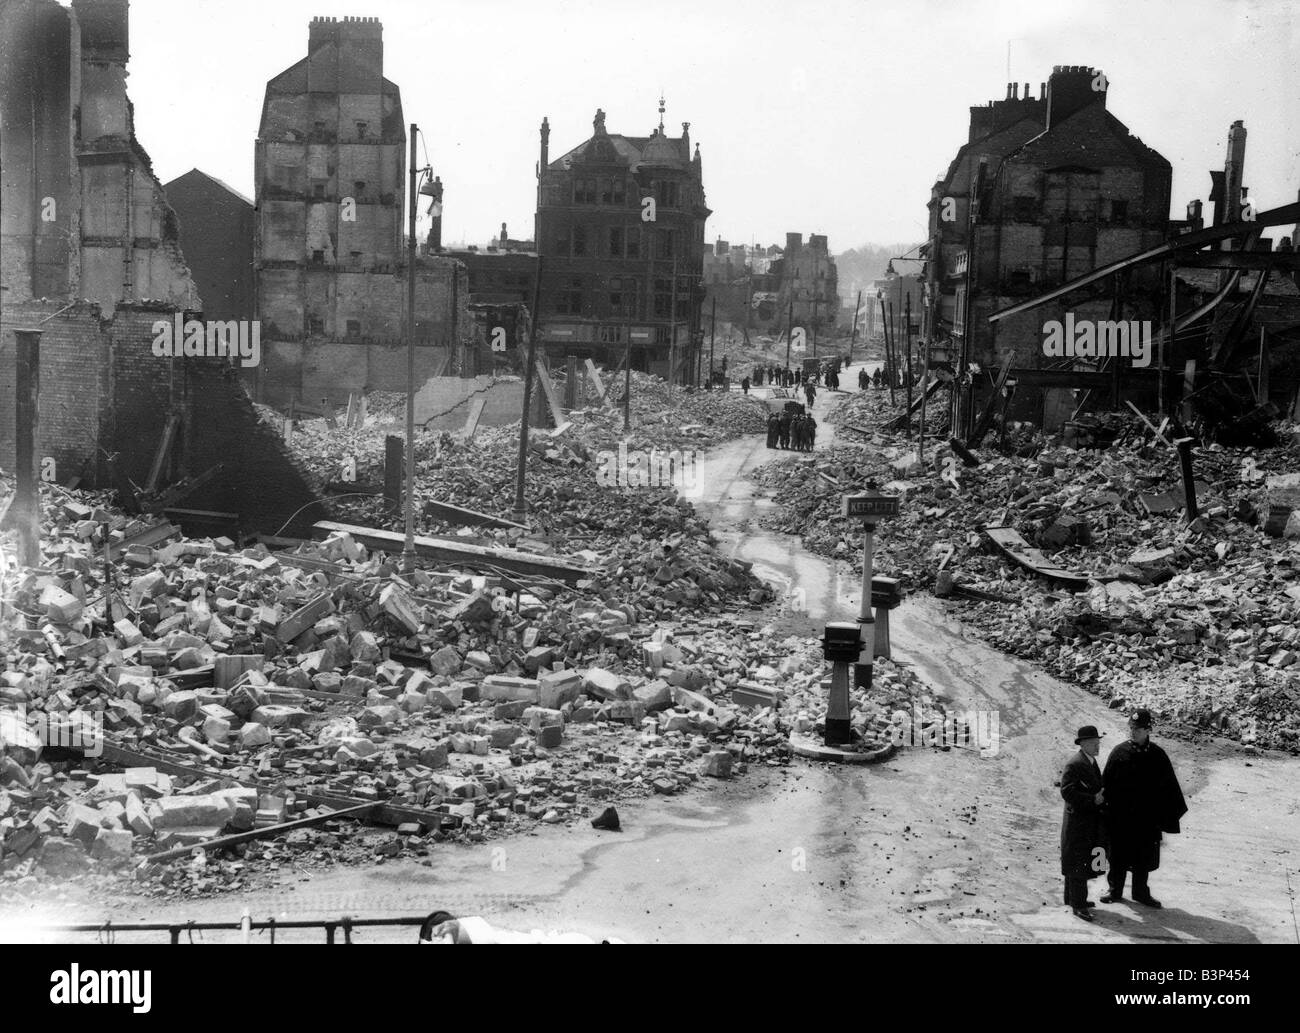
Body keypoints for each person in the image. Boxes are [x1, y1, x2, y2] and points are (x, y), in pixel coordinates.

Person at [1101, 709, 1187, 908]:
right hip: (1121, 818)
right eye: (1131, 728)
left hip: (1146, 820)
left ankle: (1140, 893)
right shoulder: (1119, 753)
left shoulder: (1157, 755)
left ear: (1149, 730)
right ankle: (1114, 890)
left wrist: (1166, 817)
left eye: (1138, 729)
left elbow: (1170, 788)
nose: (1133, 732)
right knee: (1117, 856)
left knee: (1143, 857)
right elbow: (1106, 784)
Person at [1060, 725, 1107, 921]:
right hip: (1077, 824)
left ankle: (1072, 899)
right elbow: (1066, 792)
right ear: (1084, 744)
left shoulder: (1089, 761)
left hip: (1083, 822)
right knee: (1078, 864)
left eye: (1098, 743)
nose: (1097, 747)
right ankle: (1078, 905)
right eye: (1094, 744)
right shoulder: (1076, 763)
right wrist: (1092, 799)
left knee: (1077, 862)